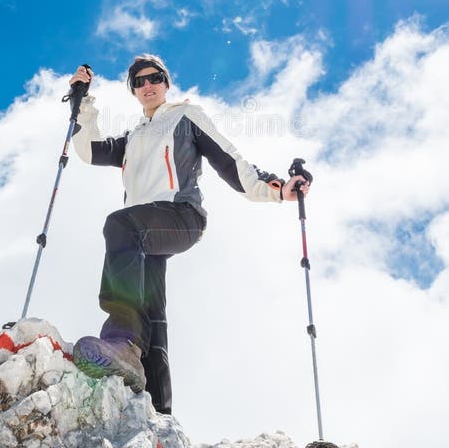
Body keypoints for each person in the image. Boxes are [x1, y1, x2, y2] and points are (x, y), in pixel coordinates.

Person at [68, 54, 310, 414]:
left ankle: (122, 339)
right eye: (139, 82)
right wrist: (81, 101)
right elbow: (88, 151)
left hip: (181, 215)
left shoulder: (185, 116)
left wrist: (275, 189)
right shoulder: (133, 138)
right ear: (133, 91)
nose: (148, 86)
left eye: (154, 78)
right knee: (152, 312)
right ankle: (157, 410)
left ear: (166, 82)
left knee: (119, 224)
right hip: (145, 237)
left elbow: (229, 160)